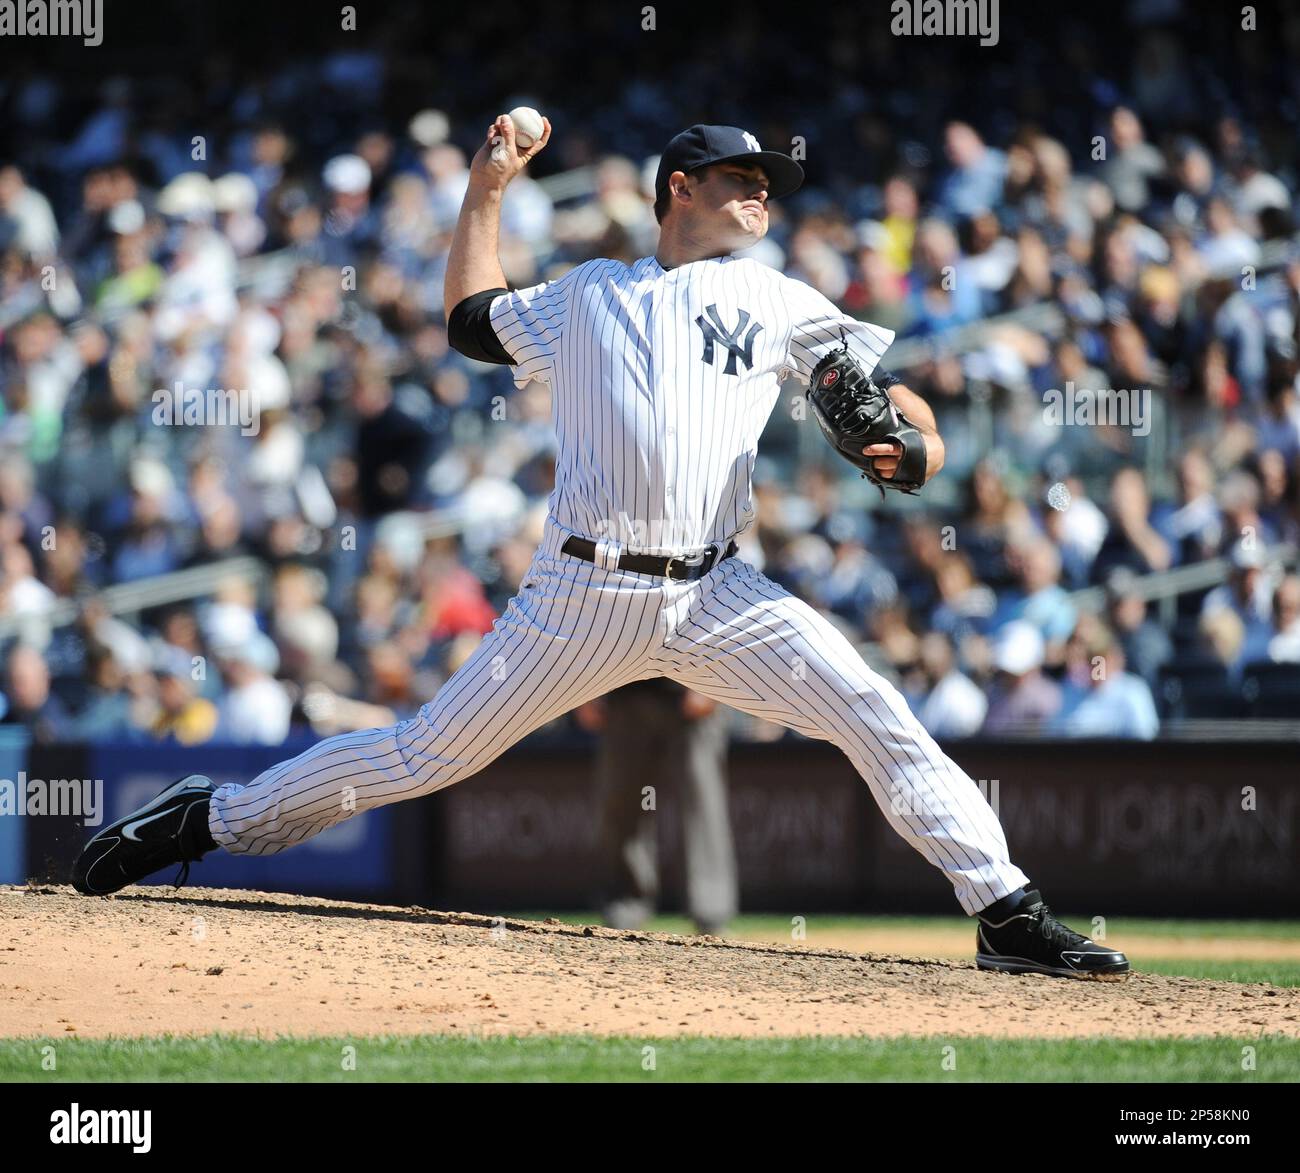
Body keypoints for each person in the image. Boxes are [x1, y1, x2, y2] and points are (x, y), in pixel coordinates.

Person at [71, 119, 1128, 981]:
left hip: (719, 594)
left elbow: (890, 407)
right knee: (423, 757)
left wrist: (917, 451)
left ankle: (1004, 910)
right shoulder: (588, 294)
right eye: (739, 177)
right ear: (679, 186)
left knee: (874, 713)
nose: (763, 192)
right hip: (576, 594)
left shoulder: (776, 294)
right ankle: (211, 818)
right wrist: (486, 187)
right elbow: (470, 321)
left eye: (768, 179)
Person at [577, 680, 736, 935]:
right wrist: (583, 693)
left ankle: (710, 915)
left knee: (702, 806)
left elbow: (724, 638)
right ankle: (623, 910)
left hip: (688, 686)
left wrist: (710, 686)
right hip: (625, 694)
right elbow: (586, 638)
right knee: (622, 806)